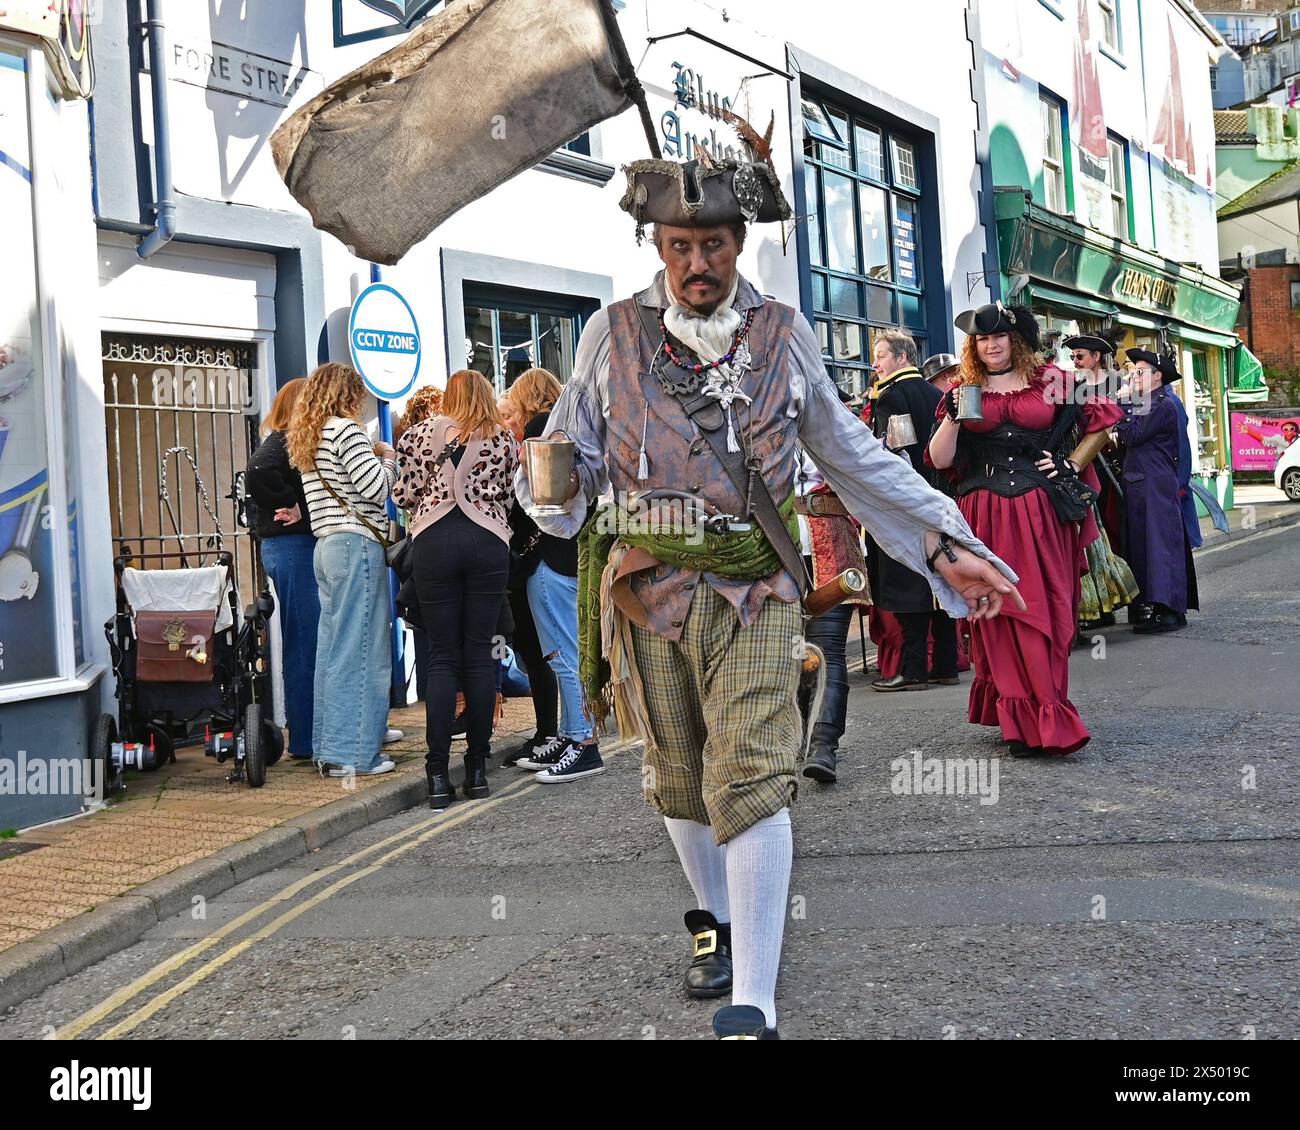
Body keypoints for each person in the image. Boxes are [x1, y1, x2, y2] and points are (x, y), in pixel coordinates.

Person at [517, 145, 1020, 1039]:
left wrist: (944, 544)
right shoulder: (610, 332)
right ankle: (711, 922)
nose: (696, 264)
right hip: (646, 591)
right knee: (677, 776)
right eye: (678, 245)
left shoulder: (786, 333)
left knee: (750, 774)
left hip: (760, 586)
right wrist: (550, 486)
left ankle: (756, 998)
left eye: (712, 243)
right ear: (657, 243)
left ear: (738, 240)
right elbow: (572, 457)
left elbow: (850, 454)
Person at [928, 302, 1119, 758]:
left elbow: (1104, 425)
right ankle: (1018, 722)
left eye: (999, 336)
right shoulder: (963, 389)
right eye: (981, 339)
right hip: (984, 514)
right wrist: (954, 416)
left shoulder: (1052, 381)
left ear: (1016, 339)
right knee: (996, 611)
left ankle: (1050, 710)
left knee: (1044, 608)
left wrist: (1071, 463)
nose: (991, 345)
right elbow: (940, 460)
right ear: (973, 346)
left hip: (1040, 511)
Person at [394, 369, 518, 809]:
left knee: (442, 657)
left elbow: (404, 495)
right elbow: (508, 494)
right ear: (486, 394)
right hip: (488, 543)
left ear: (450, 396)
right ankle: (478, 770)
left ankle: (436, 777)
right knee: (481, 655)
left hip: (434, 542)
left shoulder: (417, 435)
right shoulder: (504, 439)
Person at [288, 363, 398, 778]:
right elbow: (375, 488)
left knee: (334, 652)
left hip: (326, 547)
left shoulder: (310, 435)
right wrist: (388, 458)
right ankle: (356, 756)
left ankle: (331, 750)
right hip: (356, 547)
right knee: (364, 651)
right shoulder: (346, 431)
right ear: (347, 394)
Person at [506, 368, 605, 782]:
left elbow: (538, 503)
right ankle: (569, 735)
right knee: (566, 651)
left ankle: (583, 742)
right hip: (572, 554)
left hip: (551, 555)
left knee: (561, 654)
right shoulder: (570, 428)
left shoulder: (539, 429)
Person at [866, 330, 959, 692]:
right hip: (942, 496)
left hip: (906, 500)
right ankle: (947, 664)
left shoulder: (891, 395)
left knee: (907, 581)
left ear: (902, 358)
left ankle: (915, 669)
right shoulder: (937, 393)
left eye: (881, 355)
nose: (875, 362)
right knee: (943, 574)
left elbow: (897, 451)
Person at [247, 378, 319, 761]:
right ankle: (306, 740)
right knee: (305, 642)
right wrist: (293, 504)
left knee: (303, 640)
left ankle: (308, 736)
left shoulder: (286, 438)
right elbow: (257, 471)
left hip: (286, 547)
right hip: (292, 547)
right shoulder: (285, 437)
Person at [795, 435, 869, 785]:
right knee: (782, 650)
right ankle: (797, 735)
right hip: (771, 540)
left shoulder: (829, 412)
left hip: (830, 540)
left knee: (827, 652)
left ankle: (823, 744)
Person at [1115, 350, 1200, 634]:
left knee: (1160, 546)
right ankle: (1166, 608)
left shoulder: (1159, 403)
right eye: (1133, 371)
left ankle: (1168, 611)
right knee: (1155, 545)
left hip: (1155, 484)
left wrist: (1124, 401)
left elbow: (1132, 435)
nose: (1133, 376)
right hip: (1149, 483)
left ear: (1157, 376)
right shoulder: (1155, 401)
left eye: (1140, 372)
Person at [1062, 334, 1139, 631]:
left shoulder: (1119, 385)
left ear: (1096, 357)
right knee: (1094, 540)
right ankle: (1101, 606)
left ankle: (1135, 603)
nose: (1075, 362)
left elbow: (1128, 422)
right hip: (1085, 470)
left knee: (1121, 535)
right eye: (1073, 357)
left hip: (1116, 471)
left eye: (1080, 356)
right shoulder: (1073, 387)